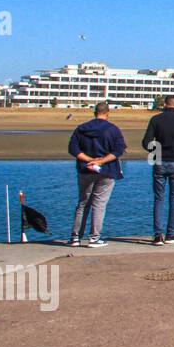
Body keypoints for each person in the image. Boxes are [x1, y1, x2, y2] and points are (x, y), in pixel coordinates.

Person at [66, 101, 126, 248]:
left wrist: (89, 160)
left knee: (83, 203)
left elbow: (73, 149)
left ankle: (75, 237)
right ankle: (94, 238)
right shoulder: (113, 130)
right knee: (99, 205)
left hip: (86, 169)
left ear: (95, 113)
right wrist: (100, 161)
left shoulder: (81, 129)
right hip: (105, 170)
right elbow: (118, 150)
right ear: (108, 113)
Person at [142, 95, 174, 246]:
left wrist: (155, 152)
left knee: (159, 198)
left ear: (164, 105)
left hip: (159, 160)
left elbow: (146, 142)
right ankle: (170, 234)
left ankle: (158, 235)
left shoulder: (156, 119)